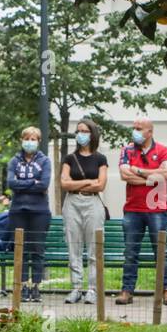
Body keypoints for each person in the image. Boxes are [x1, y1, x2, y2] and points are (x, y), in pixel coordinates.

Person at [116, 117, 167, 306]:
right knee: (130, 252)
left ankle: (166, 290)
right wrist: (151, 177)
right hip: (133, 210)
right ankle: (127, 290)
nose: (134, 131)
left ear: (150, 132)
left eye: (139, 128)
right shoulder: (127, 150)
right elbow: (124, 175)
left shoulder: (163, 150)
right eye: (133, 127)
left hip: (157, 210)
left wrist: (139, 171)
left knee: (160, 251)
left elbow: (166, 174)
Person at [59, 118, 108, 303]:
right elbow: (64, 183)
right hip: (72, 203)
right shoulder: (69, 159)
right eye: (78, 131)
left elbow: (101, 185)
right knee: (74, 246)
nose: (81, 134)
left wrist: (79, 183)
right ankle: (76, 287)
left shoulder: (100, 158)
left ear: (92, 134)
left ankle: (93, 289)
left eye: (85, 131)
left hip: (93, 204)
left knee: (94, 247)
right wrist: (88, 182)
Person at [6, 126, 52, 301]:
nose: (30, 142)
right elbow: (11, 183)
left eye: (34, 139)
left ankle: (36, 286)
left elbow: (44, 184)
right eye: (27, 138)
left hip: (40, 212)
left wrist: (23, 183)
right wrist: (33, 181)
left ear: (39, 141)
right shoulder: (14, 161)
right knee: (21, 250)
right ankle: (23, 285)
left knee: (38, 249)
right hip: (18, 211)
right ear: (21, 140)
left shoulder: (45, 161)